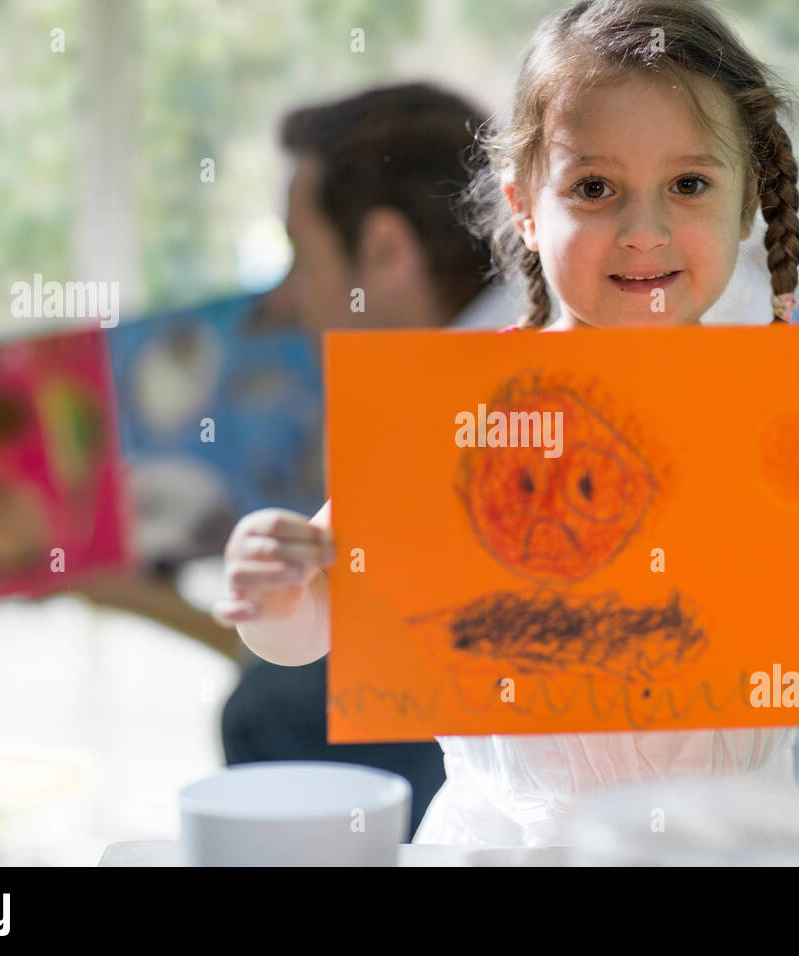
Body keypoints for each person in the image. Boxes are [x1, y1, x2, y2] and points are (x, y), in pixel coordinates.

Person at [212, 0, 799, 846]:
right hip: (507, 848)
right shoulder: (459, 413)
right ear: (526, 205)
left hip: (719, 846)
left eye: (689, 185)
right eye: (595, 189)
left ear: (747, 206)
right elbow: (306, 633)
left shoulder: (781, 425)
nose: (645, 230)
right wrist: (274, 589)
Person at [217, 83, 518, 841]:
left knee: (265, 713)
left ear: (385, 250)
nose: (285, 300)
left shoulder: (452, 411)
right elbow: (316, 616)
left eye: (298, 255)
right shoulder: (419, 408)